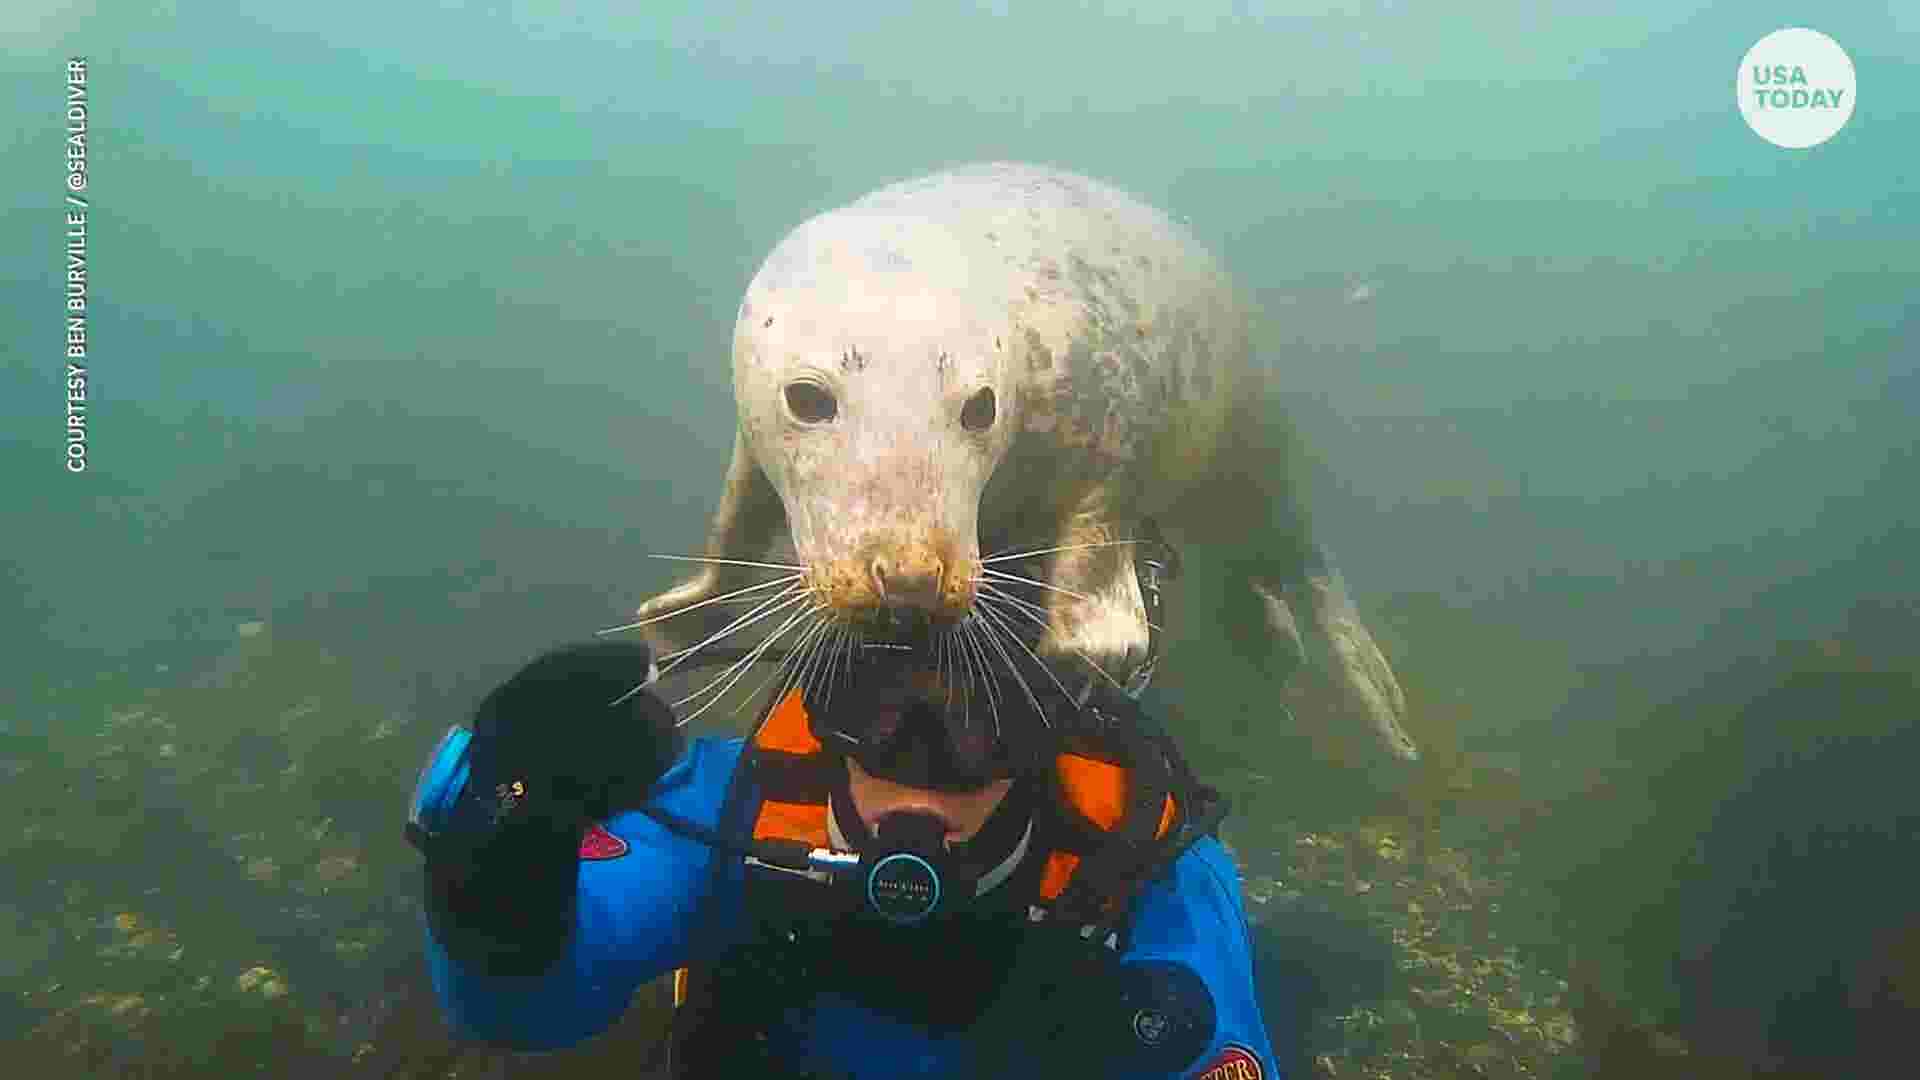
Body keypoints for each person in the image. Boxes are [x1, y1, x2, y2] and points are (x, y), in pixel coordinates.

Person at [406, 623, 1284, 1079]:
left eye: (982, 719)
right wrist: (496, 850)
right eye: (878, 707)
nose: (923, 768)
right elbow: (524, 1010)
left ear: (1048, 725)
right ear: (823, 714)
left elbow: (1214, 1035)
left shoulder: (1138, 867)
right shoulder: (742, 814)